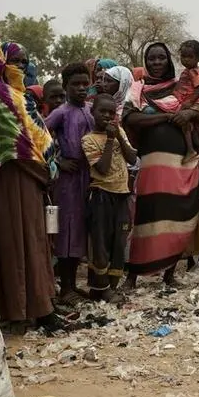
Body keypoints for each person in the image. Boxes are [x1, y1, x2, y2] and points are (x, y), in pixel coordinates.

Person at [0, 42, 67, 330]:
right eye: (16, 61)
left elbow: (38, 134)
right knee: (21, 240)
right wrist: (42, 168)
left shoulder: (22, 97)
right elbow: (8, 142)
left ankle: (42, 305)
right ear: (2, 63)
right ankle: (27, 310)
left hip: (36, 176)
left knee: (38, 240)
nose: (22, 66)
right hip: (15, 175)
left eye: (26, 61)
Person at [123, 42, 199, 288]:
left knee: (176, 212)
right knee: (147, 213)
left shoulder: (181, 85)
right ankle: (134, 274)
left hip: (181, 163)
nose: (156, 63)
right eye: (152, 58)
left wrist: (188, 114)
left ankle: (169, 274)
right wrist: (165, 117)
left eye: (161, 58)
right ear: (146, 61)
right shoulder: (138, 88)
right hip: (152, 164)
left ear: (169, 61)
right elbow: (130, 117)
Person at [44, 62, 95, 303]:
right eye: (76, 85)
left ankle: (74, 285)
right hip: (68, 179)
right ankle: (65, 289)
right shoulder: (60, 113)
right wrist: (58, 160)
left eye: (85, 84)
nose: (82, 88)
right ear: (66, 87)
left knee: (81, 231)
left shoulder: (91, 110)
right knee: (67, 231)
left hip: (88, 177)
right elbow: (39, 137)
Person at [82, 94, 138, 300]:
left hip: (121, 195)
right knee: (100, 243)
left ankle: (111, 286)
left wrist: (119, 137)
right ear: (92, 112)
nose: (106, 116)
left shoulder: (119, 131)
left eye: (111, 112)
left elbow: (132, 158)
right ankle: (100, 287)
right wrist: (110, 140)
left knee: (119, 241)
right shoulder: (89, 140)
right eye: (102, 111)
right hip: (101, 197)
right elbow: (103, 169)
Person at [173, 39, 199, 161]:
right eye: (183, 56)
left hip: (194, 103)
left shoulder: (194, 72)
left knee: (184, 122)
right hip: (190, 101)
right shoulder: (187, 71)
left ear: (198, 58)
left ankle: (190, 150)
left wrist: (190, 102)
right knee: (197, 128)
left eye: (190, 57)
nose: (186, 59)